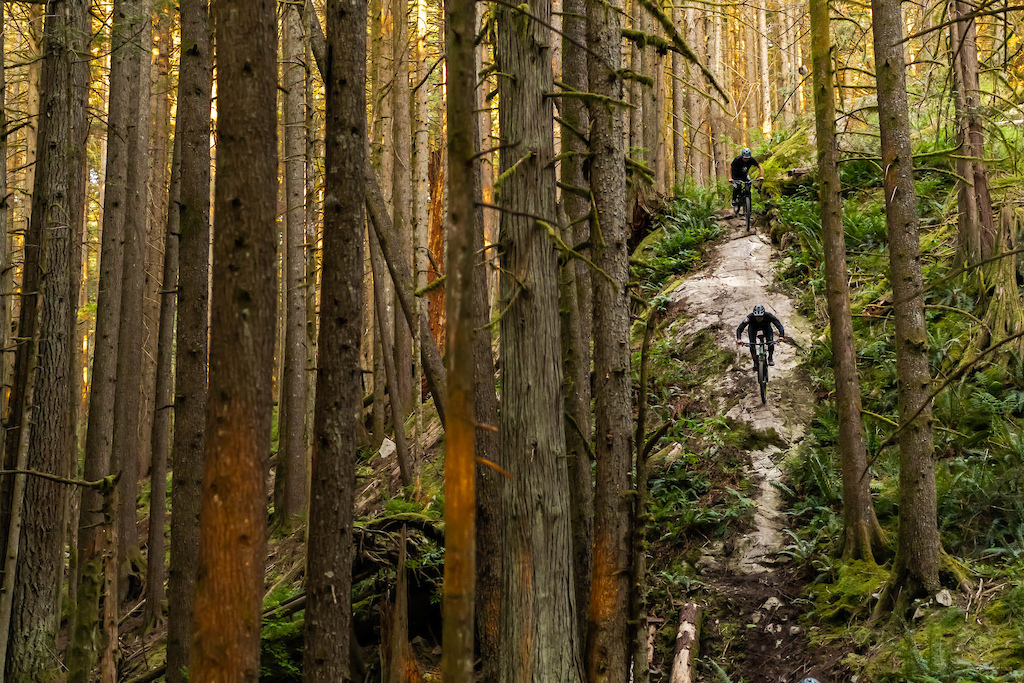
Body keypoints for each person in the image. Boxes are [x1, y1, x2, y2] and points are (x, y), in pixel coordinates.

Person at [736, 304, 785, 371]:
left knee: (770, 341)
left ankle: (770, 358)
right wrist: (739, 338)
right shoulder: (750, 317)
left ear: (763, 315)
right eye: (757, 317)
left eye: (760, 317)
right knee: (752, 344)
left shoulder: (769, 316)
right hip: (753, 328)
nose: (759, 319)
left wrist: (781, 336)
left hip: (766, 328)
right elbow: (740, 328)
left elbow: (779, 325)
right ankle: (755, 362)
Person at [728, 147, 763, 213]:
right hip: (735, 176)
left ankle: (747, 205)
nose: (746, 159)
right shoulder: (737, 159)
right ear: (742, 156)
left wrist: (761, 176)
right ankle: (734, 199)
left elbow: (759, 166)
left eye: (747, 158)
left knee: (748, 185)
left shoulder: (751, 159)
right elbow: (730, 167)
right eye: (745, 158)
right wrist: (730, 178)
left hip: (744, 175)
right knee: (737, 187)